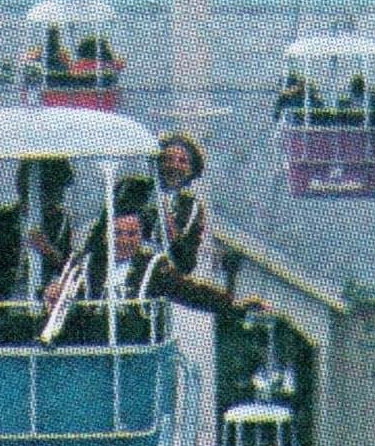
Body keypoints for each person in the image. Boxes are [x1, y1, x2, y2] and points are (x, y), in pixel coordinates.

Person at [43, 201, 267, 340]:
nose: (125, 240)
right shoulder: (87, 264)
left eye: (132, 234)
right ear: (106, 235)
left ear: (141, 238)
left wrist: (235, 305)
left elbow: (191, 291)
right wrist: (53, 294)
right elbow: (67, 301)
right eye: (118, 233)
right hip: (93, 346)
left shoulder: (153, 266)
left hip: (134, 346)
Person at [0, 159, 73, 298]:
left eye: (59, 191)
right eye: (53, 191)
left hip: (45, 300)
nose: (58, 198)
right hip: (3, 300)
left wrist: (49, 250)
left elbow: (70, 270)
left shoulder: (61, 222)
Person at [157, 132, 207, 274]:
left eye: (182, 161)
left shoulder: (192, 207)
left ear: (192, 170)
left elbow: (187, 264)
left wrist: (172, 232)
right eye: (168, 159)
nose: (174, 166)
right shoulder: (136, 190)